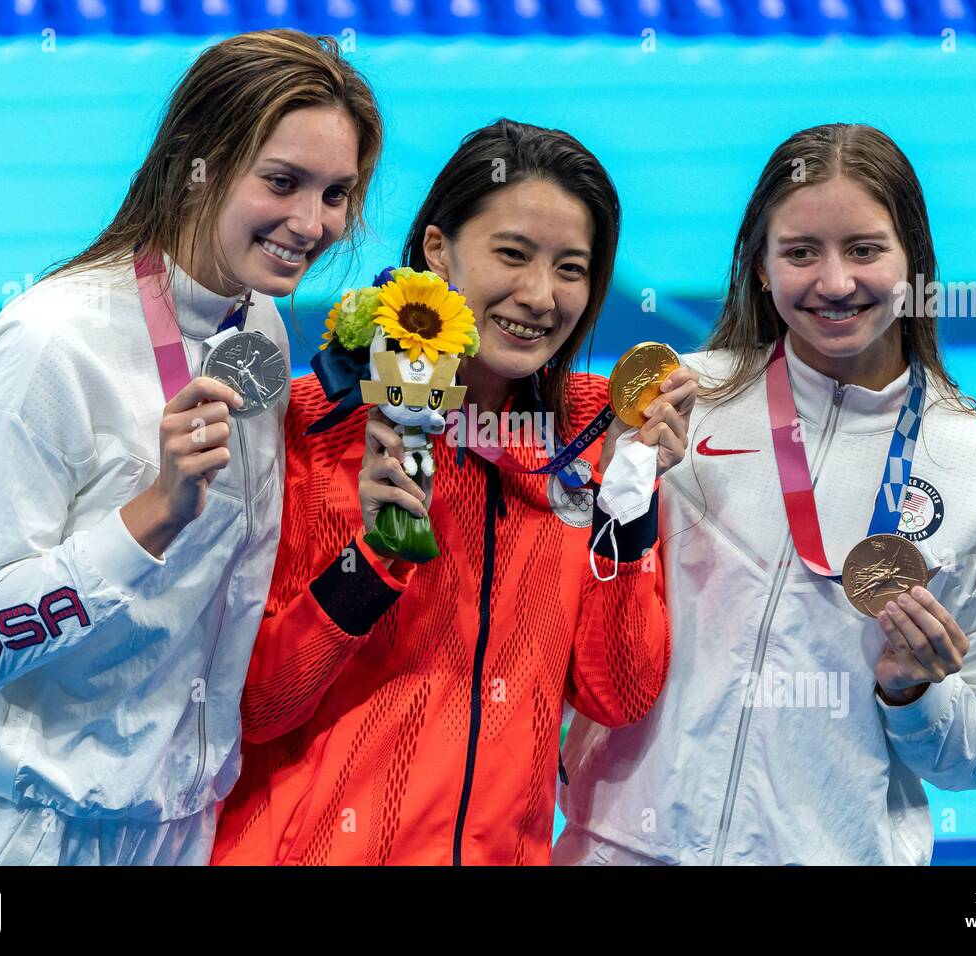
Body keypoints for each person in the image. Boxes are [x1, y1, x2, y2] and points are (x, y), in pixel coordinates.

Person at [0, 30, 383, 866]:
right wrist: (147, 521)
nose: (313, 223)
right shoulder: (48, 349)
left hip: (168, 835)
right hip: (6, 836)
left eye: (336, 193)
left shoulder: (263, 331)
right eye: (282, 182)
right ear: (196, 163)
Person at [555, 123, 976, 866]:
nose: (833, 283)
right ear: (760, 266)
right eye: (800, 252)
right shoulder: (667, 407)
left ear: (914, 261)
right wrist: (612, 497)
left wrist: (913, 696)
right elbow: (553, 630)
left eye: (864, 249)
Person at [211, 119, 697, 866]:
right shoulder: (319, 425)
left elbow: (618, 693)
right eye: (512, 254)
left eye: (572, 268)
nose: (540, 296)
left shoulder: (591, 434)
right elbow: (257, 707)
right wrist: (372, 557)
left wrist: (628, 507)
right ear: (438, 249)